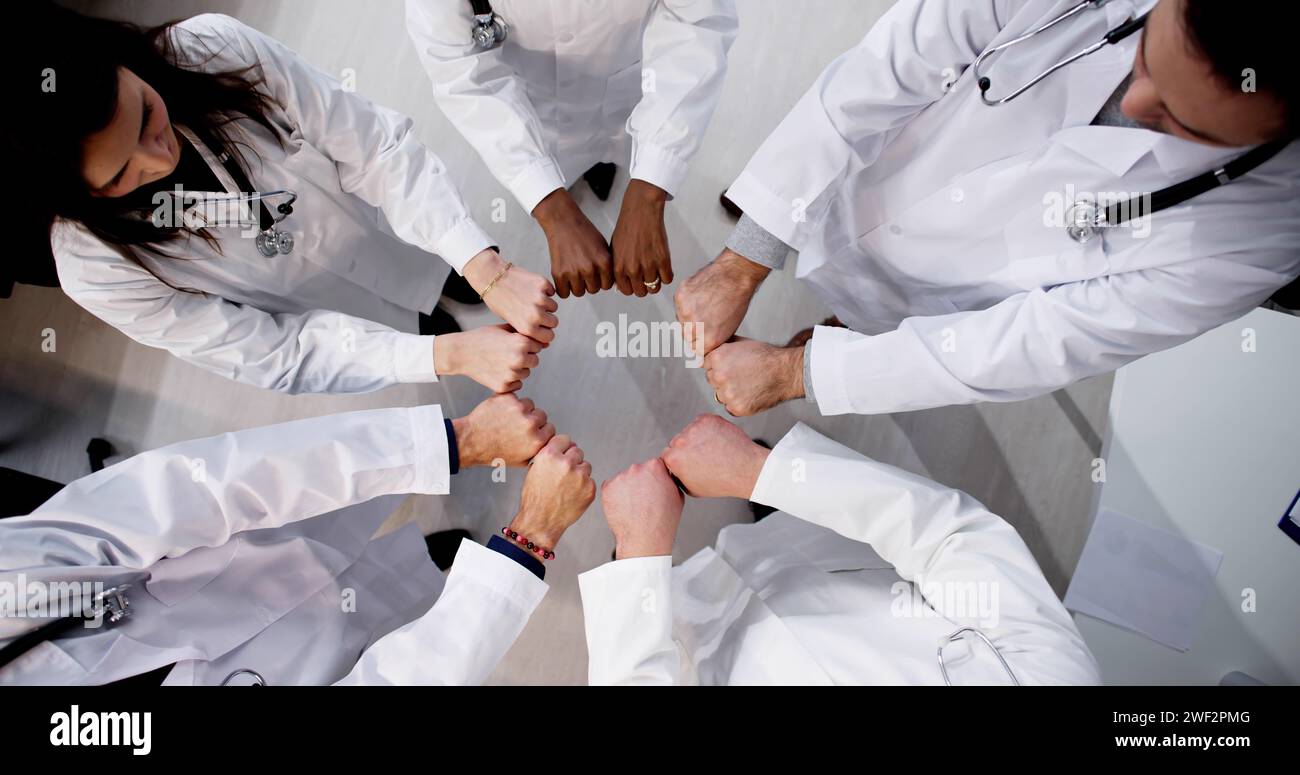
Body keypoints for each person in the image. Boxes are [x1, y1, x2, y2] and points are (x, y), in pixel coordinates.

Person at [675, 0, 1299, 417]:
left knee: (870, 329)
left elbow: (1029, 345)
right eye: (1143, 56)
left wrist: (798, 374)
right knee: (811, 196)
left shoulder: (1257, 237)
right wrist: (744, 259)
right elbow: (890, 68)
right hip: (889, 164)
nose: (1135, 103)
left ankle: (836, 335)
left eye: (1179, 123)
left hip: (956, 293)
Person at [9, 6, 558, 396]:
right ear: (76, 197)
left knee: (437, 265)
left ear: (120, 61)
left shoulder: (210, 49)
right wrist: (446, 357)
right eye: (121, 174)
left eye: (147, 116)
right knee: (411, 333)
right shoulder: (94, 268)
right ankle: (428, 329)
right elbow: (273, 352)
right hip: (323, 313)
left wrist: (481, 263)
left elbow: (373, 148)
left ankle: (448, 278)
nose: (158, 160)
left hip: (383, 227)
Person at [0, 393, 596, 685]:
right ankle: (425, 568)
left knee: (316, 543)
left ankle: (421, 549)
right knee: (369, 618)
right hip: (307, 669)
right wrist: (527, 543)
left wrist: (451, 443)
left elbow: (185, 494)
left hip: (224, 566)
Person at [581, 414, 1101, 685]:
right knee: (785, 529)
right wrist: (763, 473)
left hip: (696, 647)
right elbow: (952, 539)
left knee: (650, 608)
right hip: (816, 560)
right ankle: (771, 499)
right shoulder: (1063, 681)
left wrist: (638, 558)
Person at [406, 0, 738, 298]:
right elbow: (462, 73)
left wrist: (651, 184)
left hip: (629, 75)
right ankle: (569, 177)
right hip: (533, 100)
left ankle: (602, 166)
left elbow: (698, 20)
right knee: (555, 161)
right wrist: (551, 205)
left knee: (617, 145)